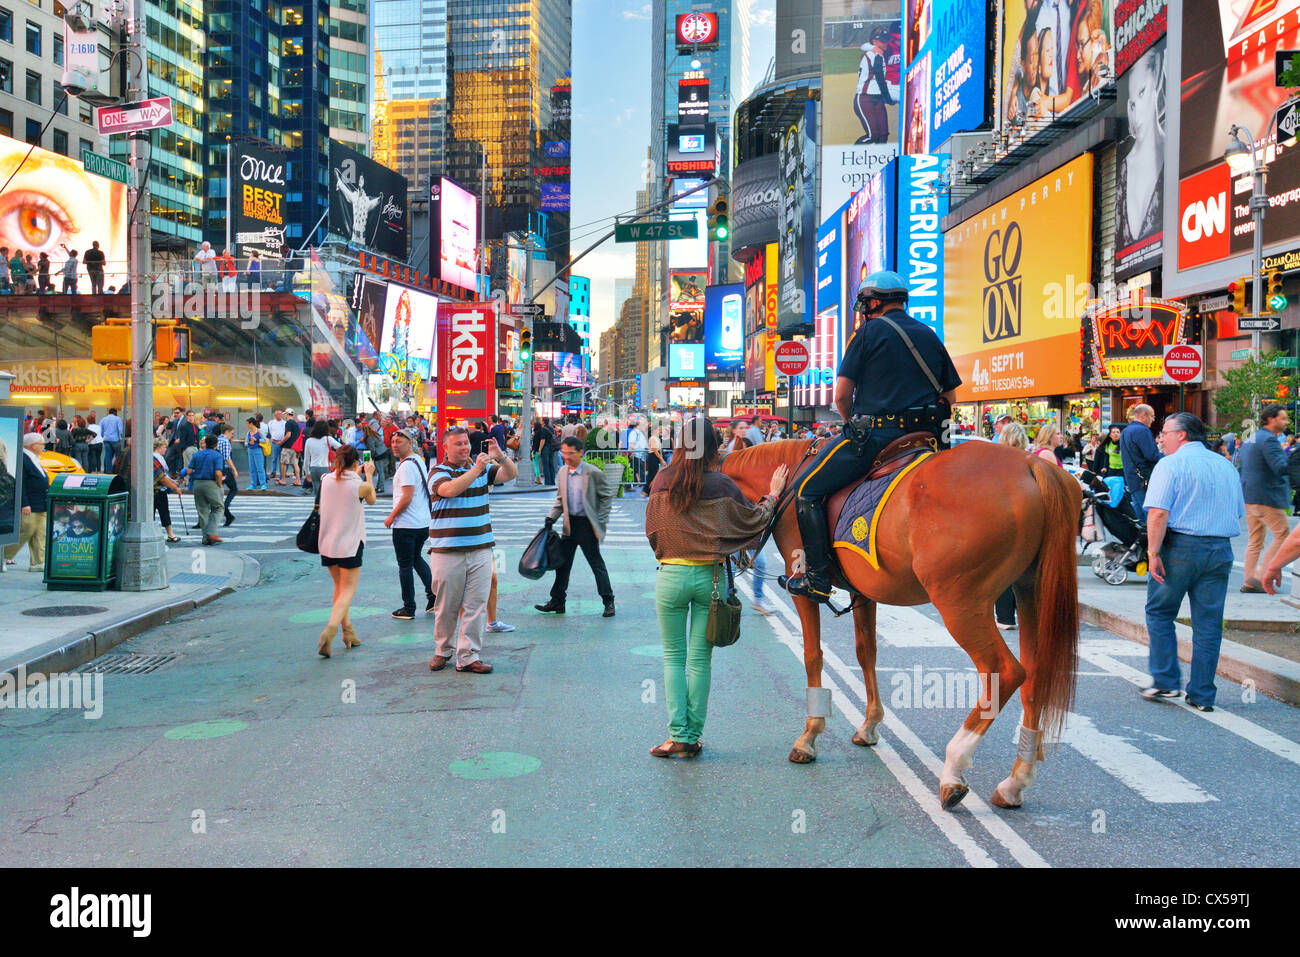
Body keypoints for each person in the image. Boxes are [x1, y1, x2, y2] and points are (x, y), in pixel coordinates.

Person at [786, 271, 961, 601]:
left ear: (874, 302)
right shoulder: (928, 333)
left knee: (807, 490)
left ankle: (818, 577)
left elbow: (841, 395)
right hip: (926, 441)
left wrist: (853, 421)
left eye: (865, 304)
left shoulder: (867, 333)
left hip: (878, 439)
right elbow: (951, 398)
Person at [644, 416, 789, 757]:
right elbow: (752, 522)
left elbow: (652, 530)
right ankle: (692, 737)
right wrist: (773, 494)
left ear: (681, 442)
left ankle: (677, 734)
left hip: (670, 576)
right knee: (699, 661)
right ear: (714, 447)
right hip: (711, 578)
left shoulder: (661, 480)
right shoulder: (723, 485)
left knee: (672, 658)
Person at [1142, 413, 1245, 712]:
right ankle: (1202, 694)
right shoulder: (1226, 465)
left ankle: (1165, 679)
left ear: (1183, 435)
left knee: (1160, 612)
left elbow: (1158, 514)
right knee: (1209, 625)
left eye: (1165, 432)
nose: (1161, 438)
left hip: (1180, 548)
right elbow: (1237, 511)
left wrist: (1153, 553)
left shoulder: (1171, 464)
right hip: (1219, 550)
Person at [426, 426, 518, 673]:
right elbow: (449, 490)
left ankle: (468, 655)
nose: (464, 447)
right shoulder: (437, 471)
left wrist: (501, 455)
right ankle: (442, 649)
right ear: (445, 447)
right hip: (447, 550)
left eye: (466, 442)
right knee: (446, 606)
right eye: (458, 444)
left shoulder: (483, 469)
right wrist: (476, 469)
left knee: (475, 605)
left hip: (480, 547)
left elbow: (510, 474)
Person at [535, 437, 617, 617]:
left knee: (596, 564)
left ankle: (608, 601)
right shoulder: (562, 472)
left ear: (580, 452)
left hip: (587, 526)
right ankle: (558, 601)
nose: (566, 457)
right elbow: (560, 500)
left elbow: (606, 496)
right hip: (569, 525)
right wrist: (551, 518)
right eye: (564, 453)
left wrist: (600, 519)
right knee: (562, 565)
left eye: (570, 453)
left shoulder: (593, 473)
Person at [316, 445, 377, 658]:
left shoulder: (326, 479)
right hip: (350, 543)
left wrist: (357, 473)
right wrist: (368, 474)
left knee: (339, 589)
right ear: (355, 462)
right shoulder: (359, 485)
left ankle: (348, 632)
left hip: (327, 542)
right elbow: (372, 499)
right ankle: (330, 630)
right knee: (347, 591)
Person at [1239, 404, 1292, 593]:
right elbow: (1280, 467)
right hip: (1266, 496)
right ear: (1271, 419)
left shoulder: (1252, 437)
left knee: (1255, 539)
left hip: (1250, 495)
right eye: (1283, 418)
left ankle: (1249, 579)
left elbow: (1242, 466)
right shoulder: (1269, 440)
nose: (1286, 422)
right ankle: (1261, 577)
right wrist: (1293, 455)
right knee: (1283, 534)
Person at [384, 429, 436, 620]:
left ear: (410, 442)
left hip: (406, 524)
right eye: (393, 442)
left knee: (405, 565)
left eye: (399, 441)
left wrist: (391, 517)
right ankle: (433, 596)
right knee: (416, 559)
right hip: (422, 522)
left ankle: (409, 607)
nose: (395, 445)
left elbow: (407, 497)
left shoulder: (406, 466)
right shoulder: (418, 461)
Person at [994, 422, 1031, 630]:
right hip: (1031, 519)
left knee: (1003, 570)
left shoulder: (998, 462)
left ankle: (1005, 617)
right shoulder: (1030, 460)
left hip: (1006, 519)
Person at [3, 433, 49, 570]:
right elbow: (20, 483)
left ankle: (38, 562)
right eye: (42, 445)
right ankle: (4, 555)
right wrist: (24, 503)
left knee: (40, 534)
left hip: (41, 503)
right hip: (31, 504)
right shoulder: (23, 458)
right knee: (26, 530)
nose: (43, 447)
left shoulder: (34, 458)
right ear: (33, 445)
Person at [181, 434, 226, 546]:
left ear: (205, 443)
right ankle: (212, 532)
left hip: (197, 483)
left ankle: (206, 538)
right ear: (216, 444)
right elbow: (218, 472)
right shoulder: (217, 455)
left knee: (202, 510)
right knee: (218, 508)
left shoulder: (198, 454)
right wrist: (219, 484)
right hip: (211, 483)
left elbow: (190, 471)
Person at [855, 28, 895, 144]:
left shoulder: (879, 53)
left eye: (886, 40)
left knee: (883, 135)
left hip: (876, 98)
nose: (886, 43)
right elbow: (880, 79)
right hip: (864, 98)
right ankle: (853, 151)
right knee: (872, 136)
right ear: (875, 42)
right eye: (883, 41)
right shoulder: (874, 55)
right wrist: (887, 97)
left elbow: (864, 45)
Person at [1120, 404, 1160, 514]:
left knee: (1139, 515)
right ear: (1143, 415)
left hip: (1131, 478)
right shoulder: (1142, 430)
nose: (1153, 420)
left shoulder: (1125, 431)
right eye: (1152, 416)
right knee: (1150, 514)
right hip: (1143, 479)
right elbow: (1152, 456)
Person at [151, 438, 182, 543]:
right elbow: (162, 477)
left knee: (157, 512)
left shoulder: (158, 457)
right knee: (163, 512)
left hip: (158, 489)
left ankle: (169, 534)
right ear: (159, 447)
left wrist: (173, 482)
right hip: (157, 489)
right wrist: (175, 487)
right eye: (164, 447)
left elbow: (164, 475)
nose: (166, 449)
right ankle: (170, 534)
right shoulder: (156, 458)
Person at [303, 420, 342, 500]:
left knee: (317, 493)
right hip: (325, 468)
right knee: (327, 493)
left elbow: (306, 459)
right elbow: (341, 447)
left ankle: (317, 510)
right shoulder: (328, 439)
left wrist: (307, 473)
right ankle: (326, 509)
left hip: (313, 469)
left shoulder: (309, 441)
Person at [217, 423, 240, 527]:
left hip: (217, 469)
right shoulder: (225, 441)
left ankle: (227, 513)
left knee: (218, 491)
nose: (232, 435)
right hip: (225, 469)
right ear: (226, 432)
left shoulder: (217, 439)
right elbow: (227, 457)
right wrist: (234, 469)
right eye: (231, 433)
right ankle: (225, 508)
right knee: (234, 489)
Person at [279, 410, 302, 487]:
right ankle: (298, 480)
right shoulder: (296, 423)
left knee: (283, 463)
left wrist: (281, 442)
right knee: (295, 464)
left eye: (285, 414)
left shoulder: (288, 423)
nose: (284, 416)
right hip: (295, 447)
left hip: (287, 447)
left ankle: (283, 480)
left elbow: (288, 435)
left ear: (287, 414)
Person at [245, 416, 267, 490]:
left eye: (247, 424)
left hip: (258, 450)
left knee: (260, 467)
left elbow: (264, 440)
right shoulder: (248, 432)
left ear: (251, 424)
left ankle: (263, 484)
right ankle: (253, 484)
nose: (247, 425)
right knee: (252, 468)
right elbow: (245, 442)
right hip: (250, 450)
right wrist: (249, 442)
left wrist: (256, 440)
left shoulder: (259, 431)